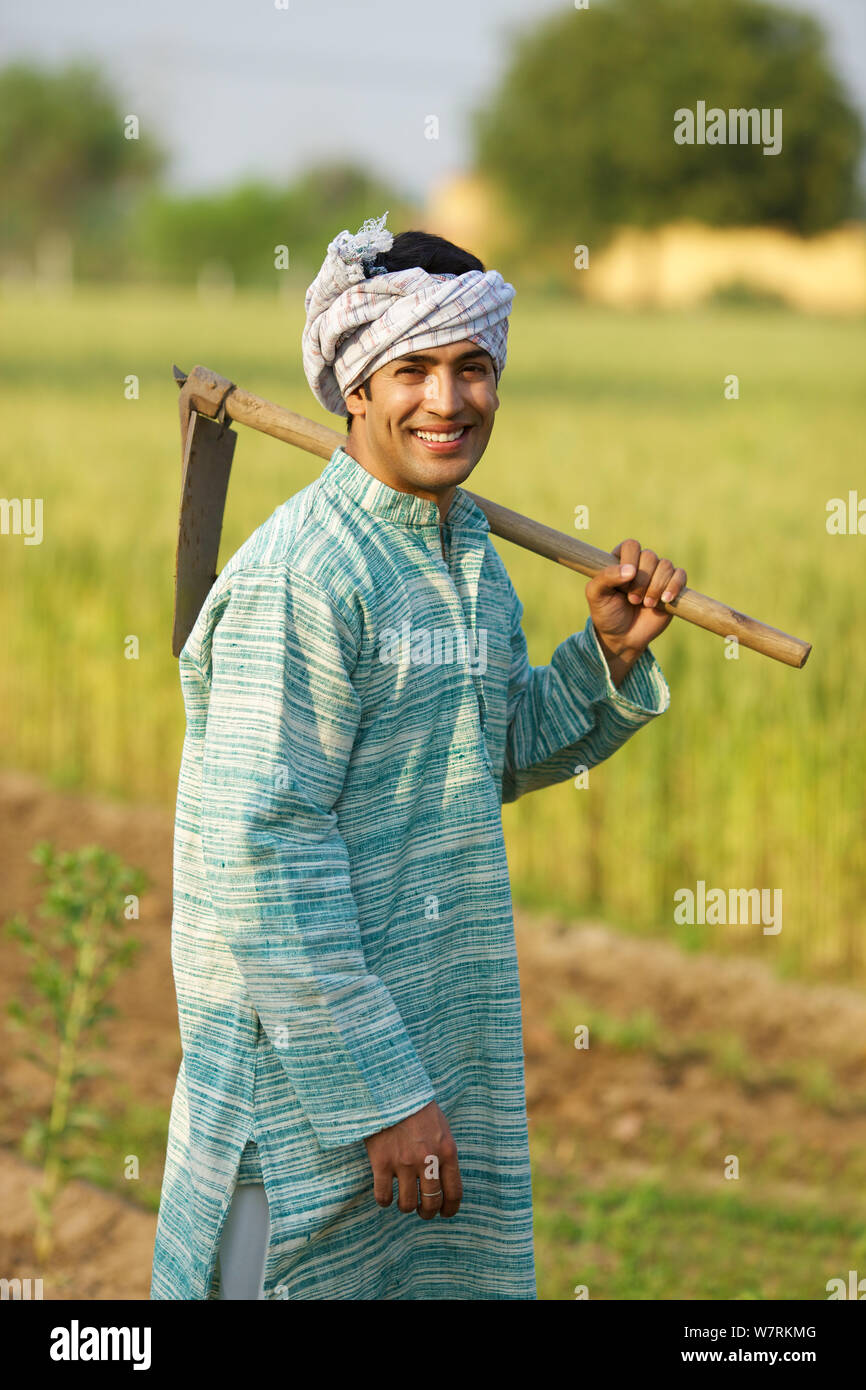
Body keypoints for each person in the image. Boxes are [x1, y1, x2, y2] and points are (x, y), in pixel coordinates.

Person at [149, 213, 687, 1301]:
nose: (445, 403)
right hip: (304, 1088)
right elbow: (267, 857)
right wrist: (382, 1097)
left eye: (471, 369)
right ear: (354, 386)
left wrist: (606, 660)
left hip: (434, 1031)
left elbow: (476, 756)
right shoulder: (301, 578)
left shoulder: (462, 552)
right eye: (412, 370)